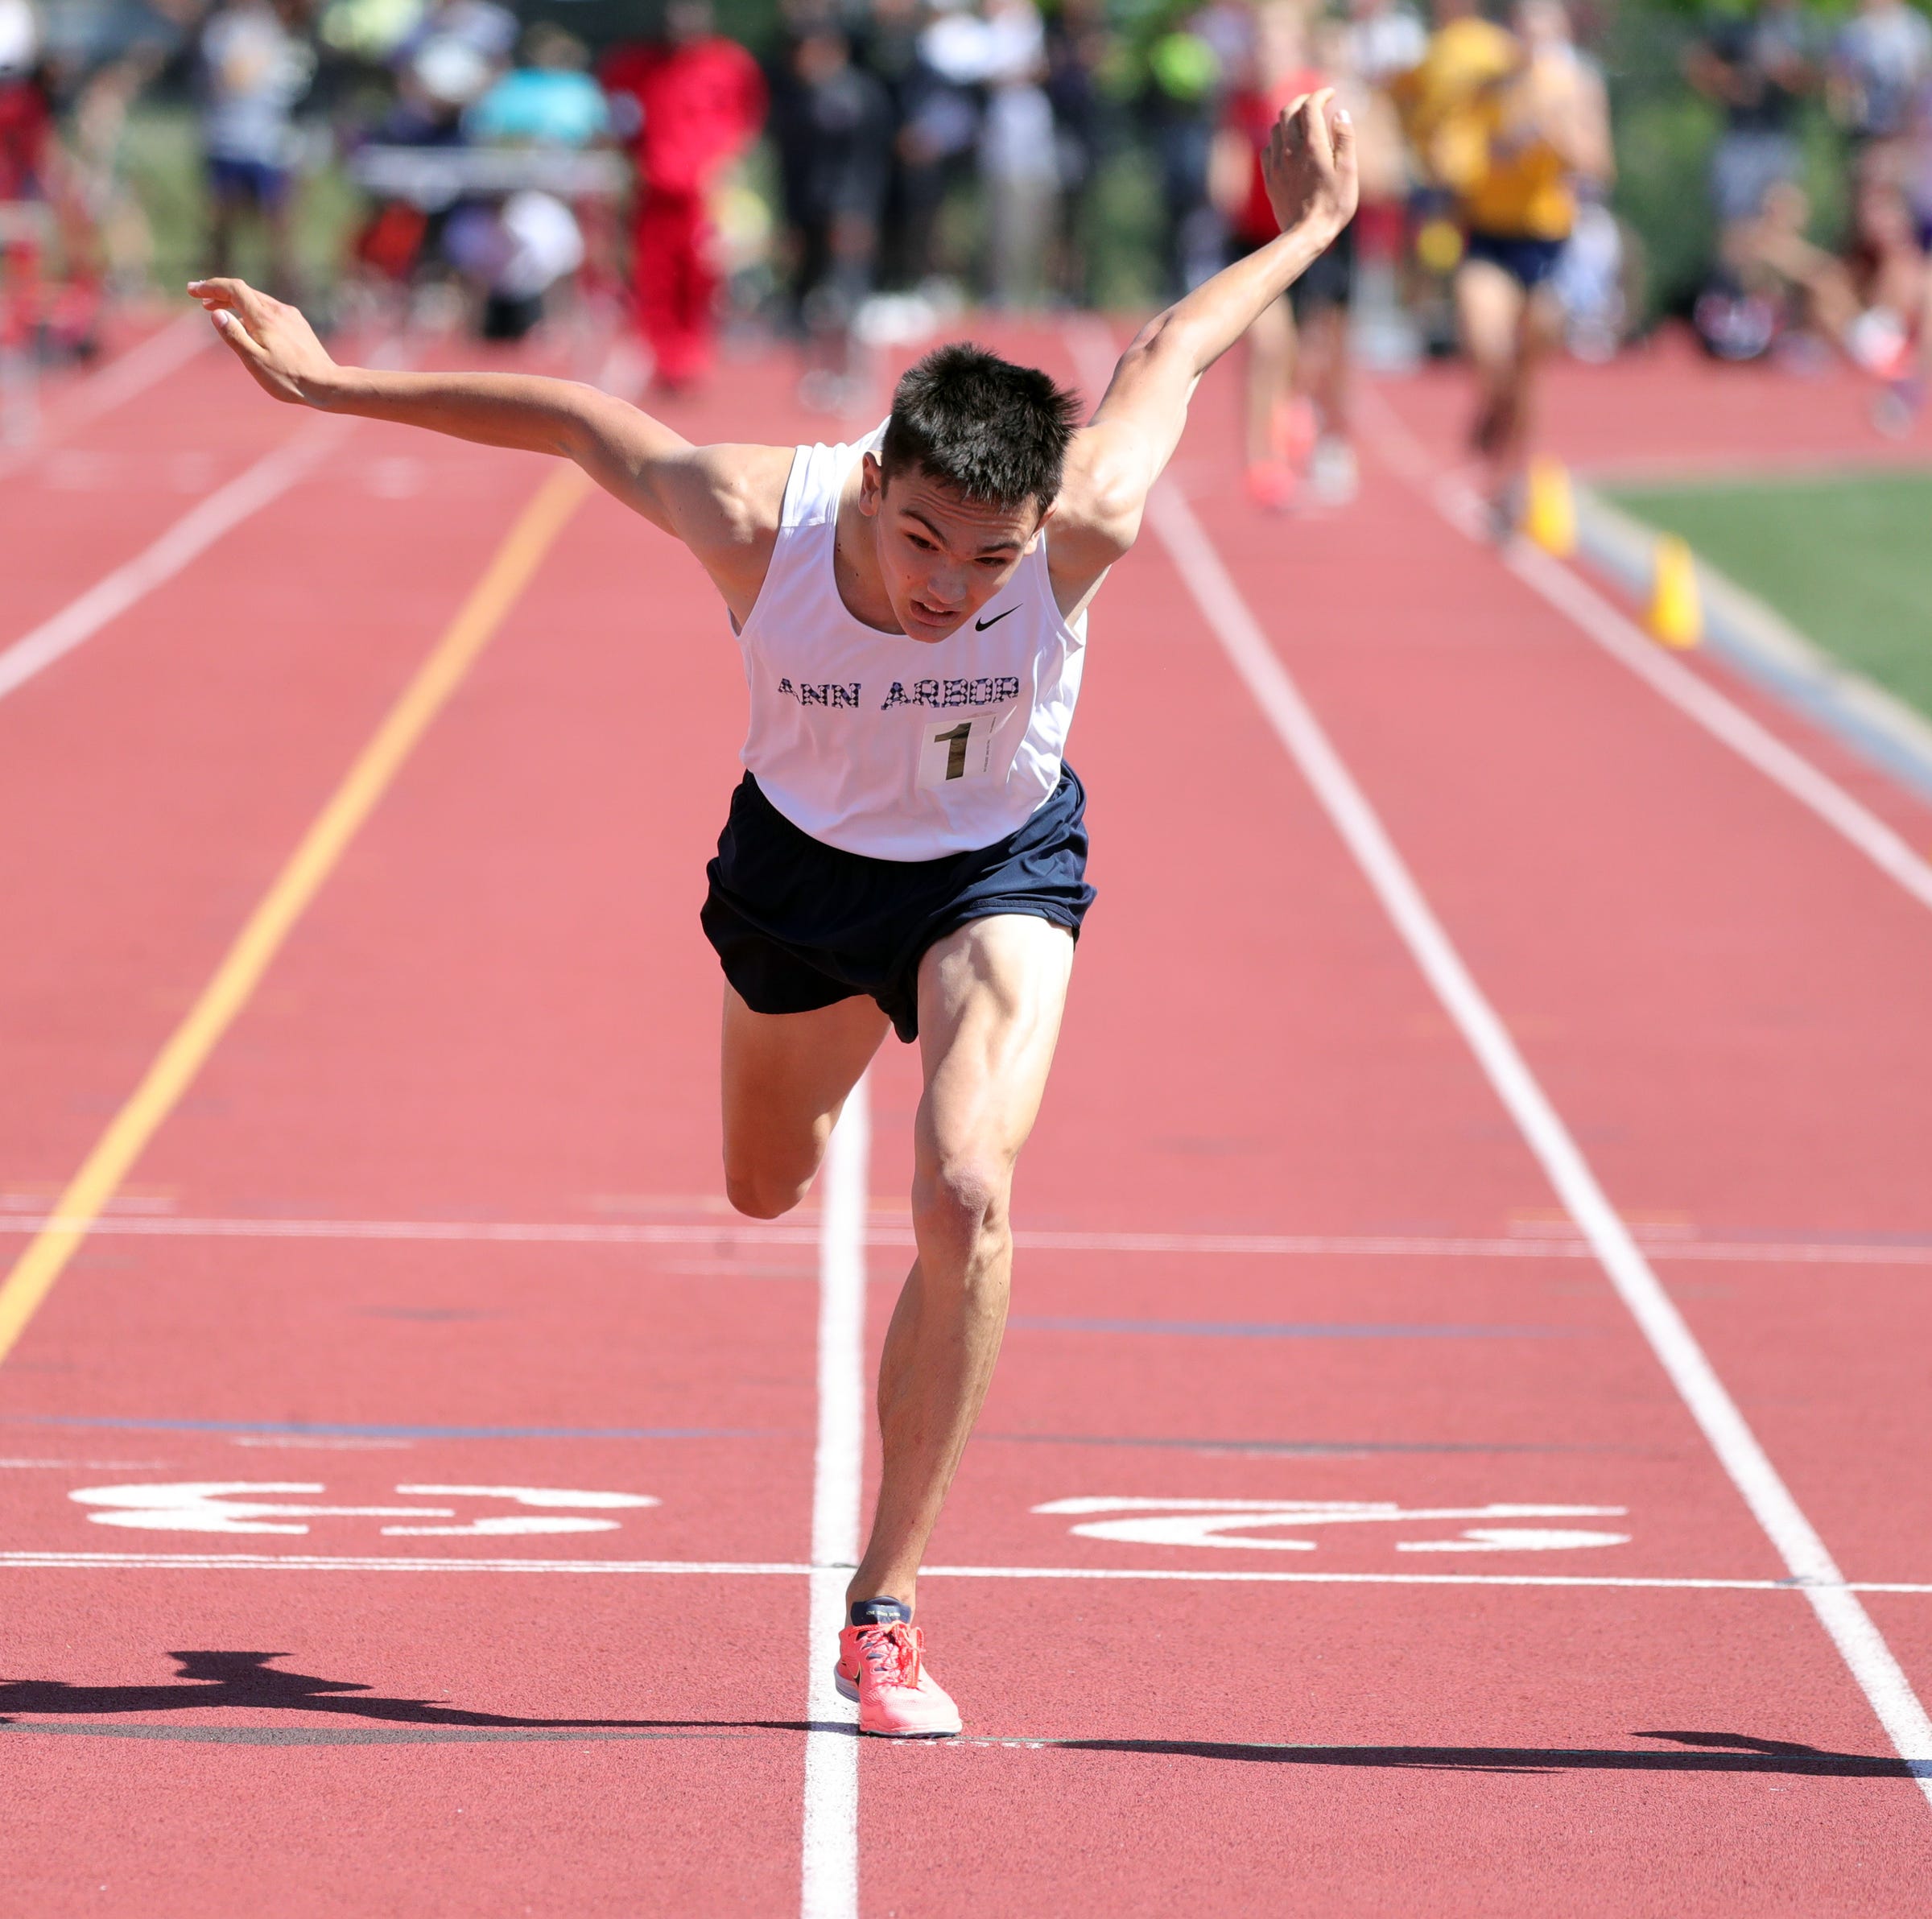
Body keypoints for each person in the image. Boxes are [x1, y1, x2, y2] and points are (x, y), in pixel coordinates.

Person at [188, 87, 1359, 1740]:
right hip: (798, 881)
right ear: (872, 483)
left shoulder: (1077, 527)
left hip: (994, 872)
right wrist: (331, 381)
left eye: (987, 559)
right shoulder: (765, 520)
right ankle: (812, 1128)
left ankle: (884, 1604)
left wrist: (1307, 230)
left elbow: (1171, 343)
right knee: (762, 1188)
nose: (951, 587)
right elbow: (586, 422)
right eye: (924, 541)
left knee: (965, 1191)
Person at [1405, 0, 1610, 520]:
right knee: (1486, 341)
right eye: (1525, 23)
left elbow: (1597, 167)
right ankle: (1493, 406)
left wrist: (1553, 131)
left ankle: (1511, 475)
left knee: (1527, 365)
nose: (1533, 34)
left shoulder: (1575, 86)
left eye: (1545, 24)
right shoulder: (1486, 85)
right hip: (1489, 231)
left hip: (1546, 238)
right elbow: (1453, 151)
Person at [1215, 0, 1356, 508]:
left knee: (1308, 352)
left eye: (1278, 38)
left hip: (1306, 239)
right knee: (1268, 345)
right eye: (1261, 38)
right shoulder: (1244, 98)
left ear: (1297, 44)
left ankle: (1296, 407)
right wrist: (1221, 192)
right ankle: (1261, 460)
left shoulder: (1314, 95)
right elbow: (1227, 161)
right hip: (1255, 240)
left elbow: (1338, 165)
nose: (1268, 48)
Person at [601, 0, 766, 391]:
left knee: (701, 277)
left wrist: (727, 167)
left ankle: (691, 357)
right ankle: (663, 358)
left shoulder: (729, 64)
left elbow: (744, 122)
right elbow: (615, 120)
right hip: (652, 192)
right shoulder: (633, 67)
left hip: (705, 194)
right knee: (653, 278)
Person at [198, 0, 317, 297]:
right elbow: (235, 78)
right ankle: (217, 293)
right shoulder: (222, 30)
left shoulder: (277, 28)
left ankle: (286, 293)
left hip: (269, 144)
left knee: (279, 223)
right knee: (223, 222)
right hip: (228, 140)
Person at [1685, 0, 1816, 250]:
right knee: (1738, 225)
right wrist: (1734, 84)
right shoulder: (1742, 30)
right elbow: (1697, 64)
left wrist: (1788, 76)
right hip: (1740, 140)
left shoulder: (1805, 34)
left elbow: (1818, 79)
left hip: (1780, 138)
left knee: (1783, 221)